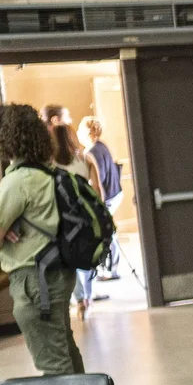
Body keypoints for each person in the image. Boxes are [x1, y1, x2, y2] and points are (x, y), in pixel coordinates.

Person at [0, 103, 87, 385]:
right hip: (58, 274)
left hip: (35, 281)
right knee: (63, 345)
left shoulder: (16, 182)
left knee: (51, 356)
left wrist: (2, 230)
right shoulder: (47, 173)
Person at [52, 123, 104, 319]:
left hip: (63, 219)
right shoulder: (85, 158)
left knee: (70, 259)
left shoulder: (51, 163)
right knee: (88, 255)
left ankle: (80, 298)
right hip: (85, 217)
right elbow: (98, 190)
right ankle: (88, 297)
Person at [79, 116, 124, 279]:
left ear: (88, 132)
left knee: (107, 233)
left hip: (107, 197)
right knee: (109, 232)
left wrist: (98, 203)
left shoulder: (90, 153)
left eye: (80, 130)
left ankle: (111, 269)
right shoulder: (101, 146)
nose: (78, 133)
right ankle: (110, 267)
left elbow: (98, 180)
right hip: (116, 192)